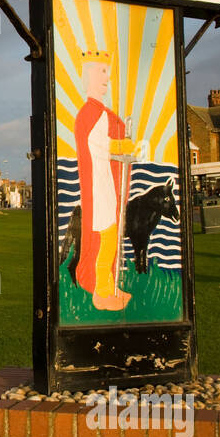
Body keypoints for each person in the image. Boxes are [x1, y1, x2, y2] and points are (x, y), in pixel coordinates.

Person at [73, 49, 145, 311]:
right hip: (97, 188)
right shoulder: (89, 113)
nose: (107, 77)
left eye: (108, 72)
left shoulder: (100, 112)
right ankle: (101, 292)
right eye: (102, 71)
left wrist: (121, 146)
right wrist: (121, 145)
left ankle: (110, 285)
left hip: (105, 185)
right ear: (90, 74)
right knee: (103, 239)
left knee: (110, 237)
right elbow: (97, 145)